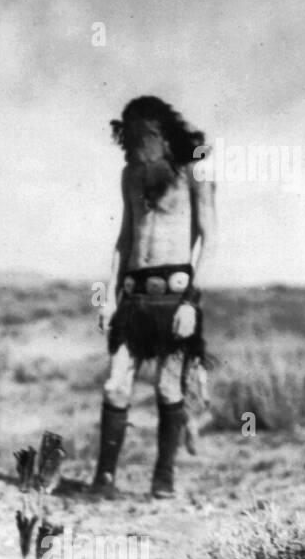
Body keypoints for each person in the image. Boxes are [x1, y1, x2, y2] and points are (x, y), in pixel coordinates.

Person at [92, 97, 215, 499]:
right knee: (115, 385)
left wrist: (191, 303)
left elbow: (209, 239)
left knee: (168, 388)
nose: (133, 146)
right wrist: (108, 297)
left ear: (161, 135)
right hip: (133, 298)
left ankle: (163, 478)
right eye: (127, 139)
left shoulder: (193, 172)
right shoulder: (130, 176)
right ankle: (104, 479)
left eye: (140, 137)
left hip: (175, 297)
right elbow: (124, 238)